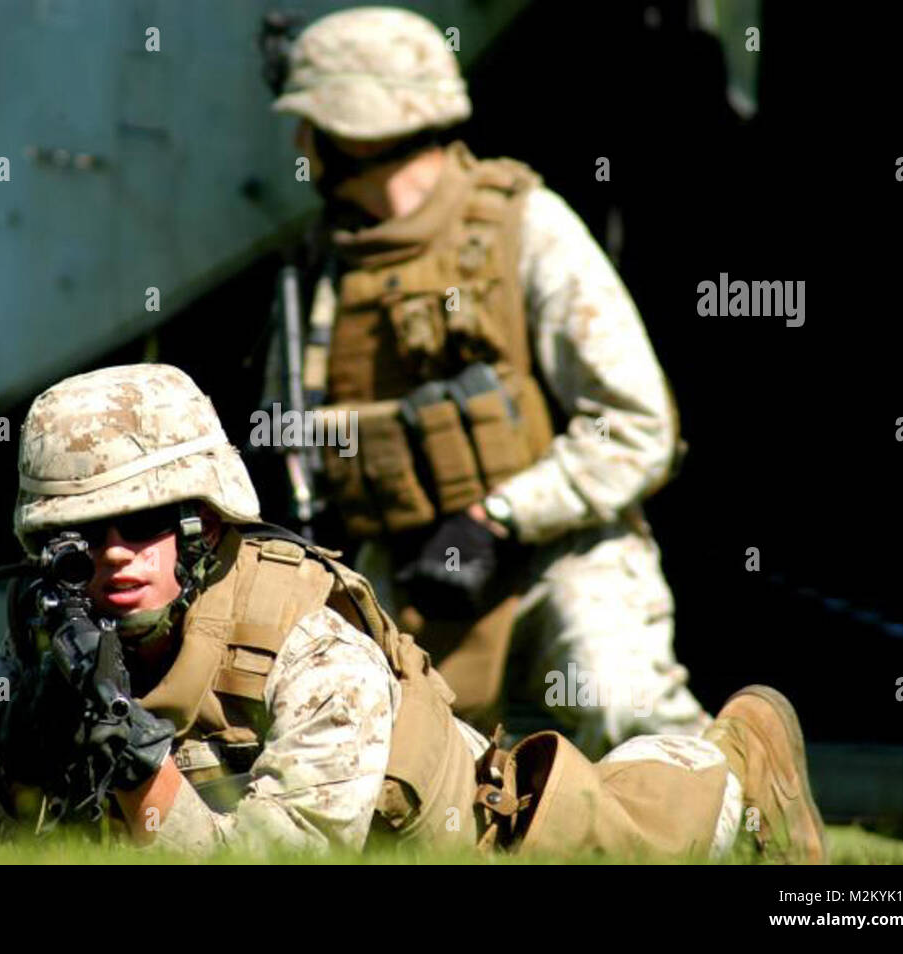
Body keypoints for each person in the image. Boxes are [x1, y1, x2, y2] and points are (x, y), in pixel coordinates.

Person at [0, 364, 826, 862]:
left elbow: (282, 863)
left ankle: (740, 758)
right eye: (77, 537)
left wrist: (137, 770)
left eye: (140, 525)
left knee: (659, 835)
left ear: (203, 522)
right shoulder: (38, 664)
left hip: (487, 838)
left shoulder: (310, 646)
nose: (110, 555)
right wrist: (31, 758)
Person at [260, 6, 708, 756]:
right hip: (403, 571)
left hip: (562, 552)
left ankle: (743, 806)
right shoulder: (321, 270)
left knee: (619, 704)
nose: (302, 143)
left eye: (314, 121)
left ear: (360, 124)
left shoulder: (526, 227)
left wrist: (499, 515)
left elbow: (638, 428)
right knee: (347, 753)